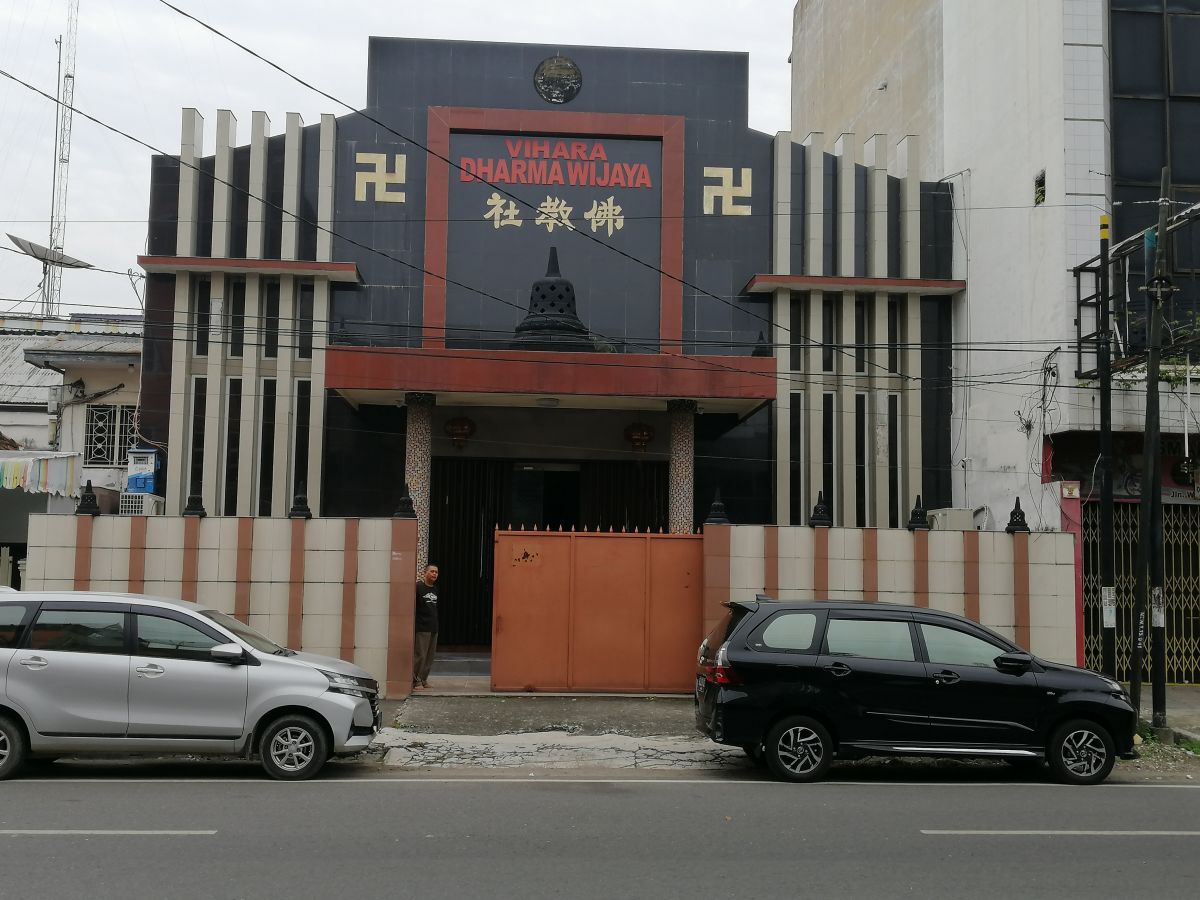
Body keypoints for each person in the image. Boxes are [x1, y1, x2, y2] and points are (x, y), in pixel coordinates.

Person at [412, 564, 440, 690]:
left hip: (433, 626)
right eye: (432, 571)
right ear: (425, 573)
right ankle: (415, 680)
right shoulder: (418, 587)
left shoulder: (435, 589)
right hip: (422, 627)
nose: (434, 574)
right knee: (421, 655)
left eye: (436, 572)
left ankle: (423, 679)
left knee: (429, 656)